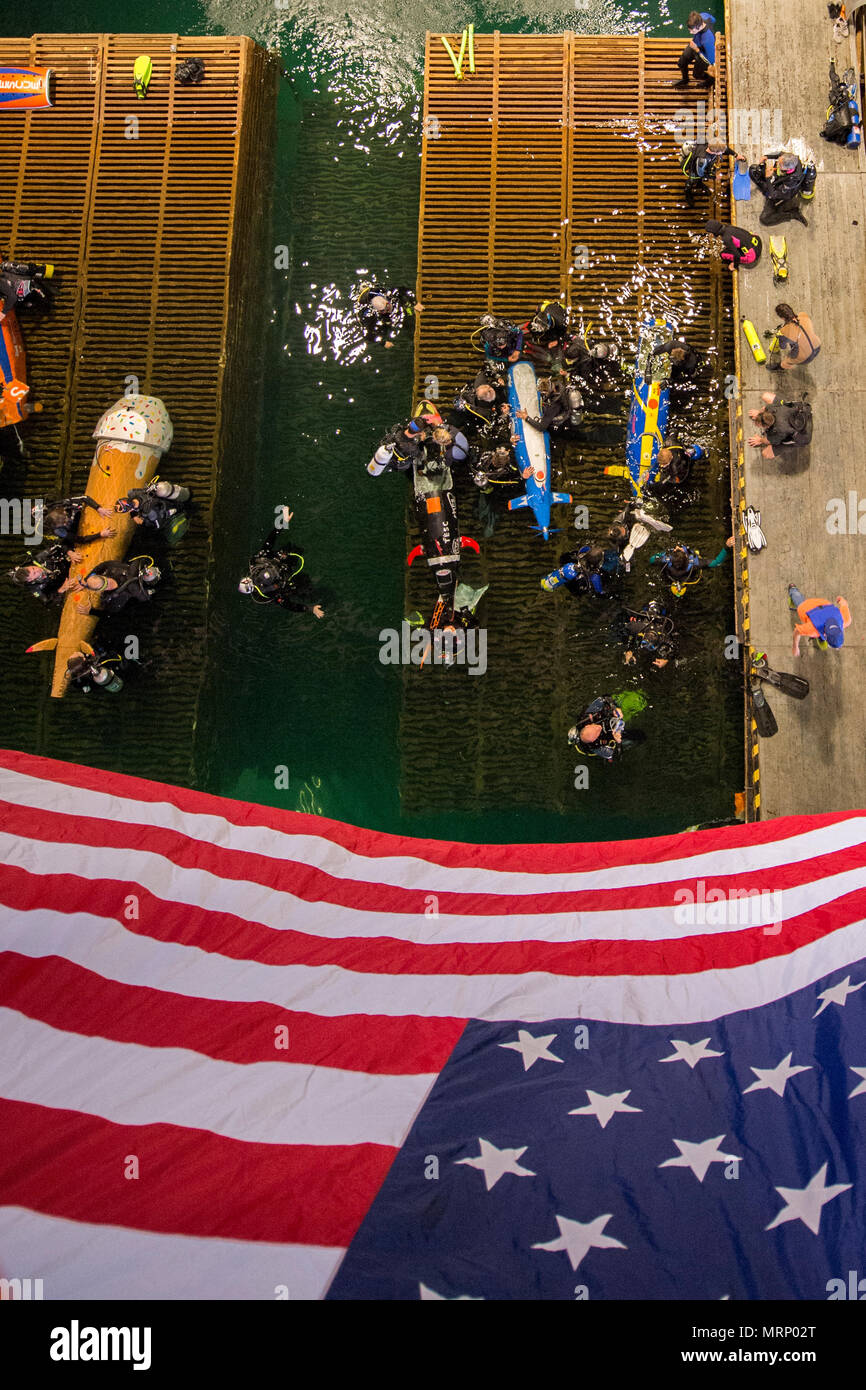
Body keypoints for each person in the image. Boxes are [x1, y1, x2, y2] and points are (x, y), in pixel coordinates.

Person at [238, 508, 324, 616]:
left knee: (291, 550)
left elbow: (270, 541)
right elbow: (288, 605)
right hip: (288, 581)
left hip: (280, 562)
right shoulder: (271, 593)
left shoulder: (260, 560)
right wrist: (311, 609)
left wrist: (283, 523)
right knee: (303, 586)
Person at [64, 555, 161, 615]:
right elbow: (102, 565)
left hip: (143, 592)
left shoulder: (118, 597)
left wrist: (91, 611)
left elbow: (111, 613)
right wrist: (86, 580)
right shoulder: (113, 567)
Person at [749, 153, 817, 227]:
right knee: (753, 170)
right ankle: (766, 188)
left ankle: (792, 214)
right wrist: (767, 156)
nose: (777, 163)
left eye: (779, 164)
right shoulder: (792, 159)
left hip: (781, 193)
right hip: (777, 180)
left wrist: (768, 177)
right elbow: (780, 154)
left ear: (787, 169)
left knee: (765, 219)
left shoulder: (791, 181)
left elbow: (773, 195)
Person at [567, 696, 642, 762]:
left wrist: (614, 708)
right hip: (612, 736)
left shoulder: (587, 717)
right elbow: (615, 756)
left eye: (595, 727)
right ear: (594, 739)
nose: (599, 728)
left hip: (608, 721)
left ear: (587, 726)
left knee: (620, 700)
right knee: (639, 736)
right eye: (597, 733)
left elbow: (605, 698)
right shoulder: (595, 747)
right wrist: (618, 742)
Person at [7, 541, 83, 603]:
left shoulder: (41, 558)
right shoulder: (35, 589)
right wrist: (62, 589)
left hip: (68, 564)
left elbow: (58, 544)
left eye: (33, 568)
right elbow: (47, 601)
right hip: (65, 581)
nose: (37, 570)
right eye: (34, 573)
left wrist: (70, 553)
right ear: (30, 580)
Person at [541, 543, 623, 598]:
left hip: (570, 580)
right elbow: (600, 592)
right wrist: (614, 596)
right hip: (576, 587)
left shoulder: (579, 553)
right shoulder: (594, 577)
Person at [650, 538, 731, 593]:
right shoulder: (695, 563)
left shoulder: (666, 561)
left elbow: (651, 559)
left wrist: (662, 553)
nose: (678, 547)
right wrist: (726, 546)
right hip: (688, 577)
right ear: (686, 556)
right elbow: (717, 562)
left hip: (670, 577)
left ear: (671, 558)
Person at [788, 585, 851, 655]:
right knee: (798, 601)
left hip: (824, 603)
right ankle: (792, 589)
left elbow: (844, 604)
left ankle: (794, 590)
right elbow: (797, 631)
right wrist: (795, 647)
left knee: (799, 598)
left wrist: (840, 600)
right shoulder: (812, 630)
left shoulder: (845, 620)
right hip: (806, 607)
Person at [747, 391, 812, 458]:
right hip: (805, 411)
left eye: (758, 425)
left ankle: (793, 444)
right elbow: (764, 409)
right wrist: (758, 413)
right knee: (765, 395)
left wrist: (760, 440)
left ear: (766, 426)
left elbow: (768, 441)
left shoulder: (777, 431)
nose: (755, 425)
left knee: (765, 453)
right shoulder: (772, 409)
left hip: (804, 434)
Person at [355, 284, 422, 346]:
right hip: (384, 321)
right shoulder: (373, 317)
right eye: (383, 310)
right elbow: (368, 336)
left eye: (387, 305)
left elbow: (404, 290)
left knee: (409, 317)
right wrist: (383, 343)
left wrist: (415, 303)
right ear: (378, 311)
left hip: (400, 312)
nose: (388, 309)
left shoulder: (392, 296)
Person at [115, 480, 191, 534]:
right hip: (162, 499)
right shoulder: (132, 493)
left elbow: (158, 526)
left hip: (169, 507)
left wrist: (143, 522)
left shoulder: (148, 511)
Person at [617, 600, 677, 668]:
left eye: (651, 647)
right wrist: (629, 651)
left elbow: (674, 649)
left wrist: (666, 661)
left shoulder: (663, 635)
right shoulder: (637, 627)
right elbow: (623, 632)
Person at [681, 137, 737, 205]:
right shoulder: (702, 160)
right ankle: (687, 193)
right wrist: (714, 177)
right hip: (695, 170)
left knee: (699, 179)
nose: (722, 153)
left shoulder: (709, 142)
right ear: (714, 152)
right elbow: (701, 174)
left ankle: (699, 184)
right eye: (721, 152)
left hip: (701, 166)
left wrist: (736, 155)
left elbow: (724, 148)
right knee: (692, 181)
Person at [516, 376, 581, 434]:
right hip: (565, 410)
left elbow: (541, 427)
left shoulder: (553, 406)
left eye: (542, 392)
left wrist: (526, 417)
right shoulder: (558, 385)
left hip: (562, 425)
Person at [765, 304, 821, 371]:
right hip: (817, 346)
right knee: (797, 341)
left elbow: (783, 347)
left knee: (786, 361)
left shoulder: (784, 331)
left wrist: (781, 336)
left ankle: (780, 368)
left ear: (782, 318)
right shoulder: (803, 315)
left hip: (805, 358)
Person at [41, 494, 115, 543]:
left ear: (63, 511)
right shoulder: (59, 531)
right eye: (63, 523)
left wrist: (98, 508)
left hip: (82, 512)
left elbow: (84, 498)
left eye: (65, 519)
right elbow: (80, 540)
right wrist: (100, 535)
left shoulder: (63, 504)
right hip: (78, 528)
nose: (66, 521)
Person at [673, 11, 717, 87]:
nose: (690, 32)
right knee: (681, 63)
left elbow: (710, 60)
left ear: (699, 26)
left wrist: (697, 50)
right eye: (689, 30)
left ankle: (710, 81)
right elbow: (713, 19)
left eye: (692, 31)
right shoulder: (703, 16)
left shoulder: (707, 40)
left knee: (696, 75)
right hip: (695, 44)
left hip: (702, 53)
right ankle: (685, 79)